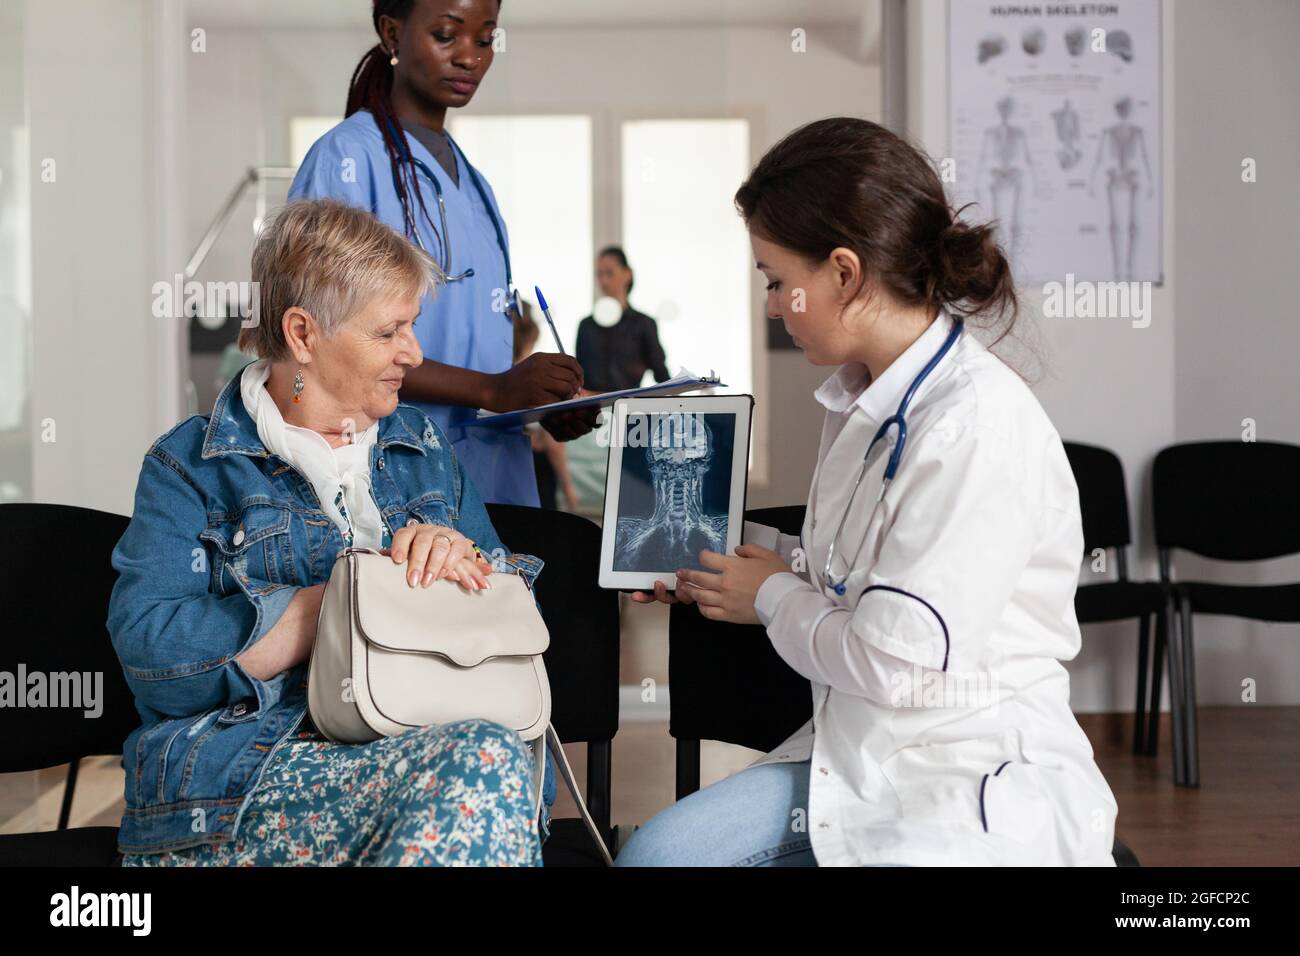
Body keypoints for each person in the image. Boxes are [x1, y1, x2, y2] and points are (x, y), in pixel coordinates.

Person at [616, 118, 1118, 867]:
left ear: (845, 274)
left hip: (959, 762)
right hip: (855, 747)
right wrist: (725, 556)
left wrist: (771, 596)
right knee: (656, 859)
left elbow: (896, 666)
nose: (772, 304)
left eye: (779, 281)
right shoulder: (864, 399)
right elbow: (857, 570)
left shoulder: (973, 426)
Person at [109, 199, 554, 866]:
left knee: (487, 765)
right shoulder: (190, 467)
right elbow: (152, 661)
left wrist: (466, 578)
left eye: (412, 325)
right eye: (389, 332)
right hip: (249, 779)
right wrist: (333, 607)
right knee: (486, 768)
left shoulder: (424, 449)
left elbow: (520, 639)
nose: (416, 352)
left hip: (434, 761)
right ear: (302, 334)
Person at [289, 0, 594, 509]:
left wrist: (538, 401)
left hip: (497, 480)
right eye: (446, 35)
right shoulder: (346, 160)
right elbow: (327, 345)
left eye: (484, 38)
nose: (469, 57)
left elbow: (478, 350)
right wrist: (493, 390)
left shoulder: (477, 186)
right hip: (392, 476)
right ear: (392, 33)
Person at [575, 246, 671, 392]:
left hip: (630, 409)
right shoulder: (586, 325)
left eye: (609, 273)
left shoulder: (644, 324)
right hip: (591, 410)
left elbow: (661, 374)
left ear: (627, 274)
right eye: (599, 274)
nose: (604, 281)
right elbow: (578, 376)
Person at [514, 304, 578, 511]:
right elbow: (553, 443)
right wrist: (568, 487)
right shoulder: (536, 378)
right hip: (536, 468)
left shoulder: (490, 374)